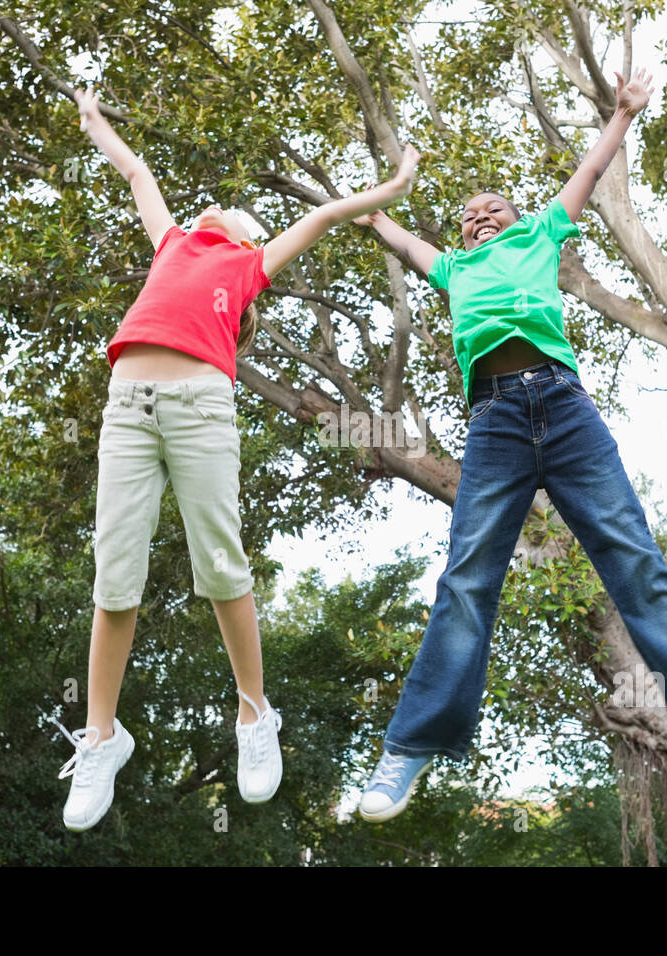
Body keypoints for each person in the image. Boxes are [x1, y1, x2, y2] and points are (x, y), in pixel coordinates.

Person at [353, 67, 667, 823]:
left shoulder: (540, 233)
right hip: (496, 422)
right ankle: (409, 748)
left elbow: (590, 171)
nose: (478, 219)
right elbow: (395, 235)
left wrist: (622, 115)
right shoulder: (455, 270)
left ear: (516, 214)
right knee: (466, 580)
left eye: (489, 207)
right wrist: (372, 204)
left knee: (637, 563)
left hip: (564, 410)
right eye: (467, 217)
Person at [57, 86, 421, 831]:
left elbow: (320, 217)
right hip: (127, 409)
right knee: (114, 577)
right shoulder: (172, 246)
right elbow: (138, 176)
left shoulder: (246, 265)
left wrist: (393, 188)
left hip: (200, 408)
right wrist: (96, 123)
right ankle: (101, 736)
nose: (207, 210)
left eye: (222, 213)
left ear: (242, 236)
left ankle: (254, 714)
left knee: (221, 563)